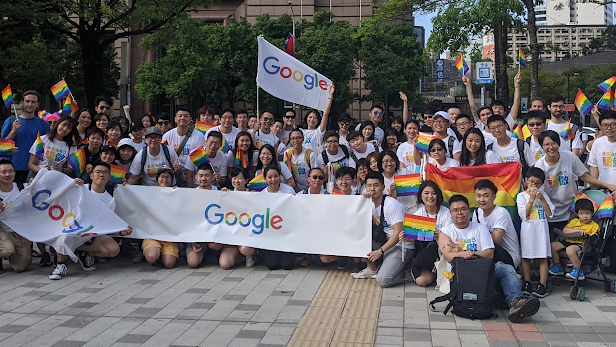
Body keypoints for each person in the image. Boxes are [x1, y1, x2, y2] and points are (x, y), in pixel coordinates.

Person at [438, 194, 540, 323]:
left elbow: (489, 254)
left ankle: (516, 302)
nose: (460, 213)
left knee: (507, 269)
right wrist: (465, 254)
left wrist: (462, 252)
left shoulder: (480, 228)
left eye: (463, 209)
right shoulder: (446, 231)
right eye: (455, 210)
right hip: (460, 275)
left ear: (469, 211)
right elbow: (449, 257)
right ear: (450, 213)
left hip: (484, 271)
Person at [534, 130, 616, 233]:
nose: (551, 147)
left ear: (559, 144)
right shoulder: (539, 166)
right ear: (542, 147)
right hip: (551, 213)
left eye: (554, 143)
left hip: (572, 210)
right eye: (546, 144)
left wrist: (607, 185)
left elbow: (583, 176)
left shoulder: (569, 156)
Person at [353, 172, 413, 287]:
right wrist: (362, 201)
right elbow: (354, 219)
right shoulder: (368, 202)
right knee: (358, 233)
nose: (372, 189)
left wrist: (380, 251)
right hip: (384, 240)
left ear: (383, 187)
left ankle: (406, 269)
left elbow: (398, 234)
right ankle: (372, 268)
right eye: (369, 185)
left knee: (383, 280)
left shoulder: (391, 205)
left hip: (401, 245)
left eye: (376, 185)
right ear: (365, 187)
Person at [403, 181, 452, 287]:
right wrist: (405, 237)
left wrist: (440, 235)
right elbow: (411, 238)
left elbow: (451, 238)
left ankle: (438, 271)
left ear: (438, 195)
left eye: (433, 193)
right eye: (426, 193)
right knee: (421, 281)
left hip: (441, 252)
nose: (430, 196)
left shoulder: (446, 213)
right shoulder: (418, 214)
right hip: (423, 255)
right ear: (421, 195)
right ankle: (432, 272)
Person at [517, 167, 554, 298]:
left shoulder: (544, 196)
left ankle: (542, 284)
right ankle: (527, 282)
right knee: (526, 257)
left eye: (538, 183)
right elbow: (523, 213)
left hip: (541, 230)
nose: (534, 185)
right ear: (526, 181)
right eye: (532, 182)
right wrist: (531, 199)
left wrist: (542, 199)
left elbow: (550, 213)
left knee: (542, 257)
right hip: (527, 230)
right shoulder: (521, 196)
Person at [1, 90, 50, 185]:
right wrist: (13, 131)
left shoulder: (43, 124)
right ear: (23, 103)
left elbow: (48, 146)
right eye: (27, 101)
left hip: (36, 169)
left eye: (33, 102)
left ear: (37, 105)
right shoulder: (11, 121)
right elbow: (3, 147)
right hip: (14, 169)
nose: (30, 104)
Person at [472, 179, 521, 268]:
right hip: (488, 255)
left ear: (494, 197)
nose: (482, 199)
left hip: (508, 256)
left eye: (486, 196)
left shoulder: (501, 213)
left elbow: (495, 240)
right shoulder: (476, 213)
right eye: (478, 196)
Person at [549, 199, 599, 281]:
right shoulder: (575, 222)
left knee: (570, 250)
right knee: (552, 246)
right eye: (581, 214)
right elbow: (565, 230)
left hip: (581, 244)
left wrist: (585, 234)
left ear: (592, 213)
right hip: (568, 240)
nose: (585, 216)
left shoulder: (594, 226)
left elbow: (594, 238)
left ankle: (578, 270)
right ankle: (558, 266)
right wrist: (576, 230)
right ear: (577, 214)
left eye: (587, 213)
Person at [260, 165, 297, 270]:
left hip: (287, 234)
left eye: (276, 176)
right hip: (272, 236)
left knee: (287, 265)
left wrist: (296, 199)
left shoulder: (288, 190)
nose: (273, 180)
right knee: (272, 265)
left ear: (280, 176)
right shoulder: (262, 195)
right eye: (270, 177)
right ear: (265, 179)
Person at [141, 167, 179, 269]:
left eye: (168, 177)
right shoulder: (149, 193)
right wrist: (124, 188)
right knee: (152, 257)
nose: (165, 180)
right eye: (162, 177)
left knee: (169, 264)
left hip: (170, 237)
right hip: (152, 234)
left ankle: (162, 253)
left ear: (172, 180)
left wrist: (179, 194)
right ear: (157, 179)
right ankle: (154, 254)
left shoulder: (178, 193)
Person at [0, 160, 32, 273]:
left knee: (20, 267)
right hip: (2, 231)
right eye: (4, 172)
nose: (8, 175)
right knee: (7, 250)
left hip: (19, 233)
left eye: (10, 171)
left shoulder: (21, 187)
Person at [162, 107, 206, 187]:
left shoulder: (199, 136)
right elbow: (163, 156)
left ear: (190, 119)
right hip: (172, 177)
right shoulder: (167, 136)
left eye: (186, 116)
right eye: (180, 116)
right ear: (175, 119)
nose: (182, 118)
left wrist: (188, 173)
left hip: (192, 177)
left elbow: (200, 160)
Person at [588, 110, 616, 189]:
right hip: (604, 191)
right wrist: (595, 182)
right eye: (605, 125)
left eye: (613, 125)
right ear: (601, 127)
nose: (609, 128)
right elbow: (593, 165)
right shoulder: (598, 143)